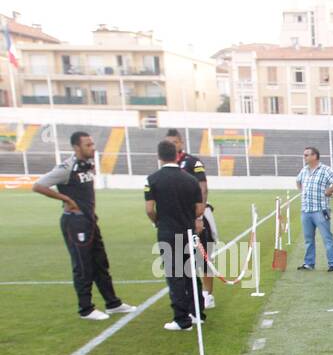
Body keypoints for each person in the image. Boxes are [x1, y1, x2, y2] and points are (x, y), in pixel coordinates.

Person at [32, 131, 135, 320]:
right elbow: (38, 186)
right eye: (88, 145)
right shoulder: (66, 167)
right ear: (76, 147)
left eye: (92, 144)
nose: (93, 148)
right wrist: (64, 198)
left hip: (90, 220)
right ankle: (86, 309)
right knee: (82, 265)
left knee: (100, 263)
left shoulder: (88, 165)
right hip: (75, 222)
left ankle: (113, 303)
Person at [145, 139, 206, 331]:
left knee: (174, 275)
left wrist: (157, 221)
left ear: (159, 156)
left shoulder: (153, 179)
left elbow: (149, 209)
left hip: (168, 232)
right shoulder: (190, 180)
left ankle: (181, 319)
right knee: (190, 272)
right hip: (187, 230)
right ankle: (197, 313)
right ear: (177, 155)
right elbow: (199, 208)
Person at [164, 128, 218, 310]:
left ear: (181, 143)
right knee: (181, 259)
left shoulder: (193, 162)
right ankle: (188, 295)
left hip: (195, 216)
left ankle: (208, 295)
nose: (172, 146)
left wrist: (199, 215)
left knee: (204, 256)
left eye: (174, 142)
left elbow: (203, 187)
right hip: (178, 220)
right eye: (168, 143)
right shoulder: (165, 165)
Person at [295, 146, 333, 272]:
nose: (304, 157)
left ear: (314, 156)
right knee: (308, 239)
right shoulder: (304, 170)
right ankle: (309, 263)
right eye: (304, 155)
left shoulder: (325, 170)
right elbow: (298, 181)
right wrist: (302, 191)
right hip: (306, 210)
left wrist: (329, 191)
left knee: (327, 238)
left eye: (306, 155)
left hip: (320, 210)